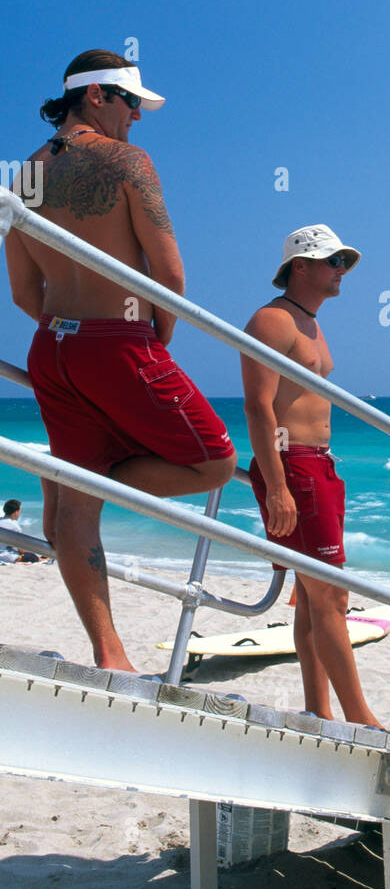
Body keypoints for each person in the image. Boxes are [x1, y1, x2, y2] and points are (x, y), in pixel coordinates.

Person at [4, 50, 237, 670]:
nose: (138, 118)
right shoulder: (129, 162)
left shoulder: (22, 176)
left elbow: (24, 293)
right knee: (214, 462)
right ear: (98, 97)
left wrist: (74, 335)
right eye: (132, 103)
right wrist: (148, 340)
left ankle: (111, 655)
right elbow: (170, 276)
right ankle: (76, 475)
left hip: (54, 344)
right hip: (119, 340)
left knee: (74, 511)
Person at [241, 224, 380, 728]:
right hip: (293, 463)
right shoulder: (273, 321)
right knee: (332, 596)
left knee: (311, 597)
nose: (341, 271)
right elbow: (258, 406)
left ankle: (318, 709)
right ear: (300, 266)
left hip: (319, 464)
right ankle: (362, 721)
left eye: (343, 261)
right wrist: (276, 485)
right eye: (332, 261)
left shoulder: (311, 323)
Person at [0, 499, 45, 563]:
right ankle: (44, 560)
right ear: (16, 512)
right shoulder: (14, 527)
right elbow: (21, 550)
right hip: (6, 557)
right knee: (32, 556)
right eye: (20, 511)